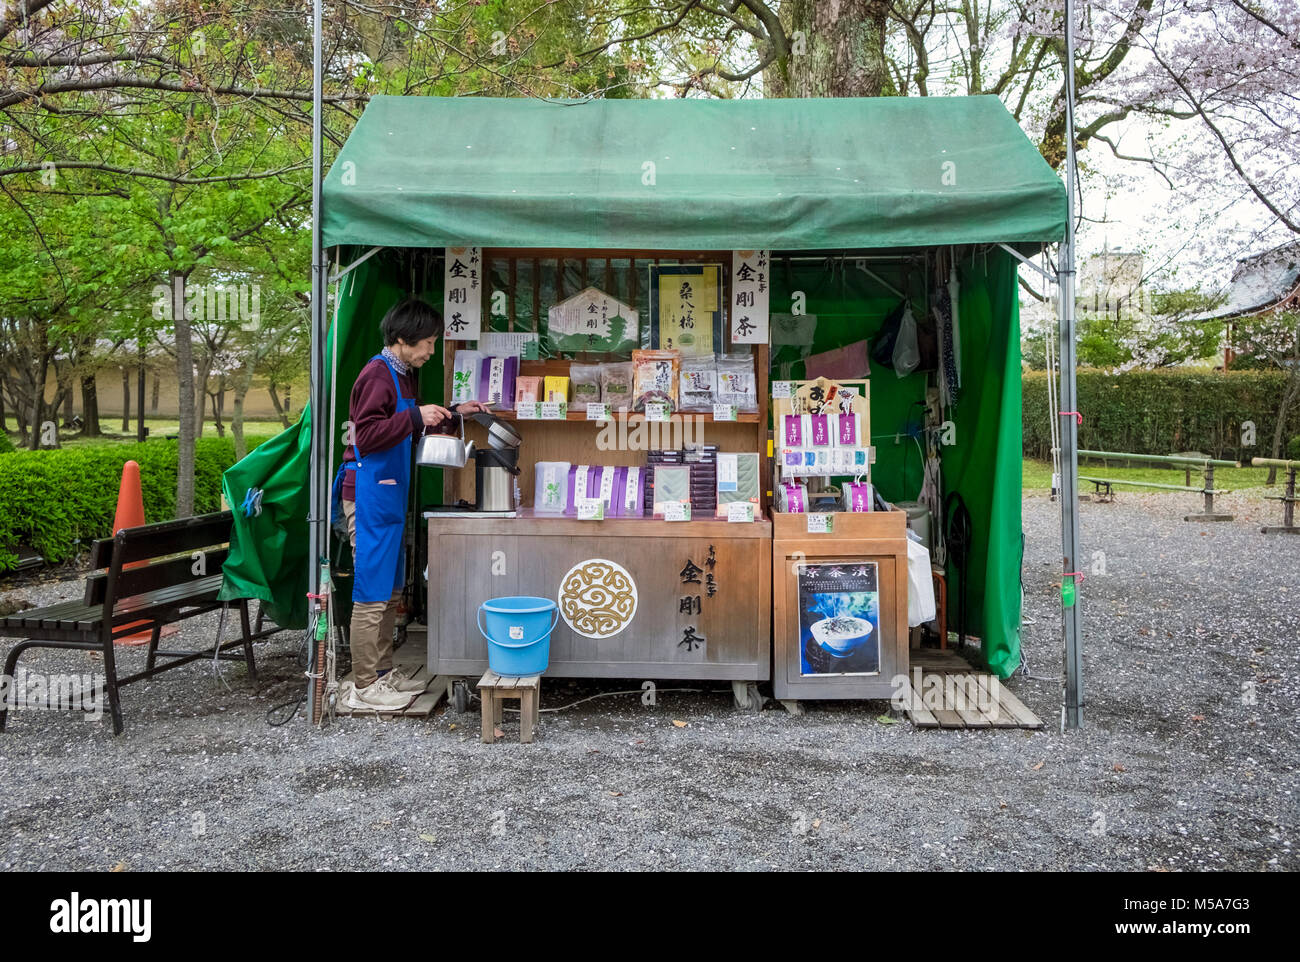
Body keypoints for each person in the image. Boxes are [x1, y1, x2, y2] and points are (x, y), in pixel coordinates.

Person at [333, 297, 488, 711]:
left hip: (389, 494)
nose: (431, 351)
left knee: (390, 588)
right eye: (429, 343)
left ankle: (383, 673)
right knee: (370, 590)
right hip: (366, 493)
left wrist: (454, 414)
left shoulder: (404, 375)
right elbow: (365, 435)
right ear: (403, 338)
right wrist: (417, 416)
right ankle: (364, 684)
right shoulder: (377, 374)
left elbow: (408, 428)